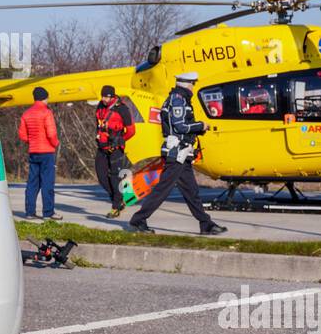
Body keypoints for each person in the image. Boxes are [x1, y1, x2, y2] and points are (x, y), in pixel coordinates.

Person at [128, 71, 227, 235]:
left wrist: (196, 131)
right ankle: (138, 220)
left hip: (182, 153)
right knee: (163, 190)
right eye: (193, 84)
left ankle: (206, 224)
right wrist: (200, 126)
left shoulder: (178, 99)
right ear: (187, 84)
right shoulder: (178, 100)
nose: (193, 87)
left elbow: (178, 127)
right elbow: (180, 126)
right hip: (177, 154)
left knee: (192, 192)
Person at [18, 86, 61, 220]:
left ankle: (30, 212)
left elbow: (22, 135)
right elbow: (51, 133)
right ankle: (48, 212)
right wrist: (56, 143)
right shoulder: (46, 112)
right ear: (45, 98)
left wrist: (32, 142)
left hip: (33, 151)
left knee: (32, 182)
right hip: (47, 152)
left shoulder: (26, 113)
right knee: (47, 182)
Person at [94, 85, 135, 218]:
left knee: (114, 176)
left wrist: (120, 141)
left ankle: (116, 206)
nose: (104, 99)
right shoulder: (100, 106)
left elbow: (131, 131)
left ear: (112, 96)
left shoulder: (122, 109)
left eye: (107, 97)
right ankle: (120, 197)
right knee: (101, 176)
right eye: (103, 96)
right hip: (102, 146)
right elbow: (98, 124)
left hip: (116, 147)